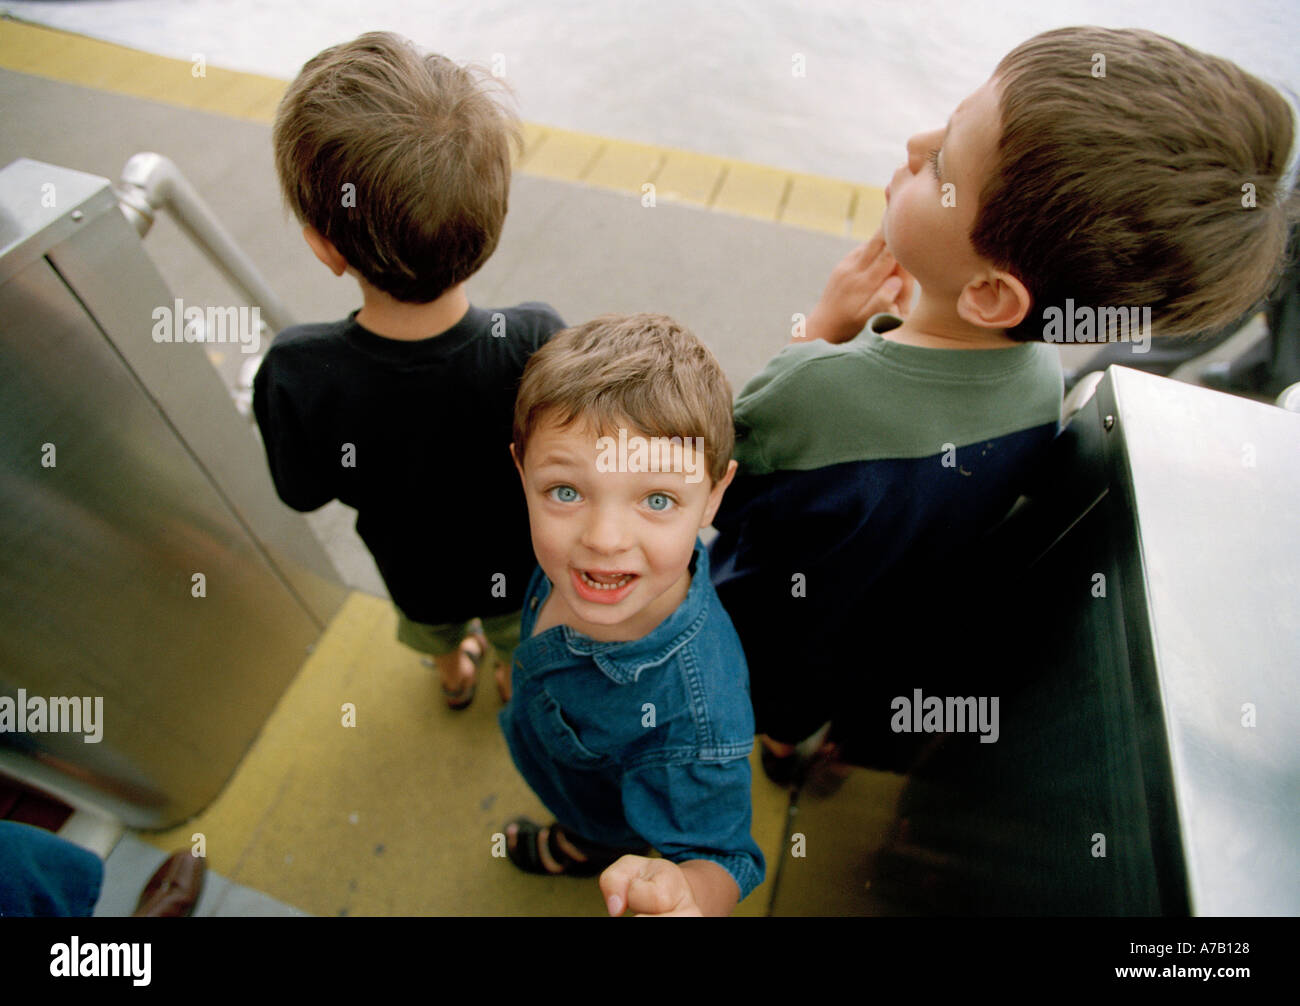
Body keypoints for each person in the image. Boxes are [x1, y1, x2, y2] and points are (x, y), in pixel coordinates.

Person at [708, 26, 1298, 776]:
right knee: (797, 705)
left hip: (754, 629)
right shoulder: (1040, 380)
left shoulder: (816, 388)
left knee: (731, 692)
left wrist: (822, 331)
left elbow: (705, 489)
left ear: (990, 293)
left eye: (944, 163)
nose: (915, 142)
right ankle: (796, 750)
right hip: (872, 641)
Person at [253, 32, 564, 707]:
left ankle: (455, 677)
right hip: (520, 565)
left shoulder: (298, 371)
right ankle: (512, 677)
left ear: (324, 247)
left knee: (438, 631)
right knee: (520, 633)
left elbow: (302, 492)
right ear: (493, 219)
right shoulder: (536, 340)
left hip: (415, 571)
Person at [498, 315, 764, 916]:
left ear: (714, 498)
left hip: (606, 811)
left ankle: (579, 846)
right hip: (552, 742)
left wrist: (686, 893)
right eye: (566, 492)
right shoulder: (595, 566)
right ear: (523, 472)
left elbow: (724, 856)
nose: (605, 538)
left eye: (658, 500)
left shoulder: (696, 719)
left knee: (593, 827)